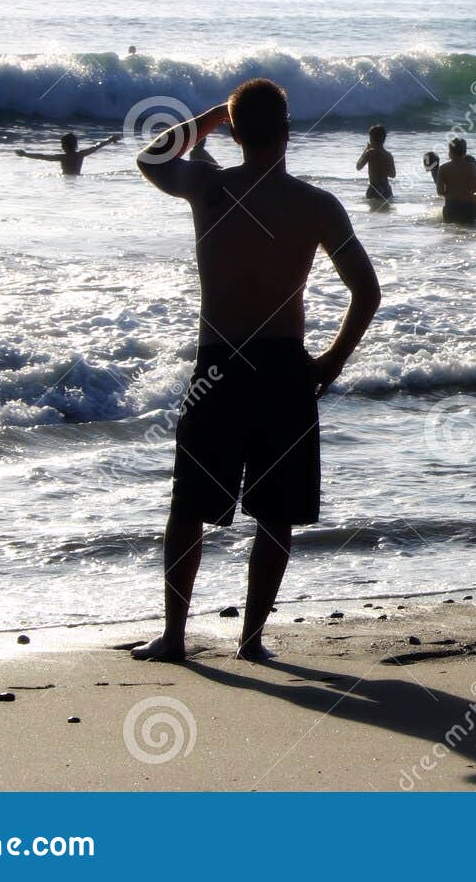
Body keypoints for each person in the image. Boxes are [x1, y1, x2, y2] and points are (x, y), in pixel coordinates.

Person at [130, 78, 381, 662]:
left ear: (238, 133)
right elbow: (366, 292)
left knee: (189, 507)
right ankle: (252, 641)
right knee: (275, 513)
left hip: (219, 364)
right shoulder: (316, 206)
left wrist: (217, 115)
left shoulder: (209, 189)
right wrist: (330, 363)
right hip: (283, 369)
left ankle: (174, 637)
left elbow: (151, 156)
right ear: (288, 132)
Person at [436, 136, 476, 225]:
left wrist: (451, 194)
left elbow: (439, 191)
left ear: (450, 153)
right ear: (465, 152)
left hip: (451, 207)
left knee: (450, 233)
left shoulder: (443, 168)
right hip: (468, 208)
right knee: (469, 230)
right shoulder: (471, 167)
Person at [16, 132, 122, 175]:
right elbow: (97, 146)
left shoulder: (62, 158)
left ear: (66, 145)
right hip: (77, 178)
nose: (61, 146)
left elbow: (42, 157)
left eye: (62, 144)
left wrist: (25, 154)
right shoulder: (80, 155)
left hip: (67, 179)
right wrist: (110, 139)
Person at [356, 124, 397, 204]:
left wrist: (365, 151)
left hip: (373, 189)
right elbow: (393, 175)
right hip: (386, 189)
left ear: (371, 139)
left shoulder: (370, 153)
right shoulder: (388, 155)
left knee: (373, 212)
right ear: (384, 139)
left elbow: (358, 167)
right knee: (386, 212)